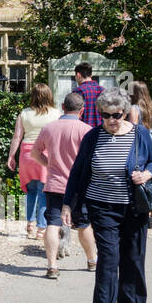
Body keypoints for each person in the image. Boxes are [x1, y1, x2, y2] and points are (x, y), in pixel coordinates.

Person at [62, 87, 152, 303]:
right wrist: (68, 203)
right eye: (105, 116)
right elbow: (77, 171)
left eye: (116, 115)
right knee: (108, 257)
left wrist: (147, 174)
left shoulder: (140, 134)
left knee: (134, 257)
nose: (111, 120)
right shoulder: (93, 136)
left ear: (125, 112)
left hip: (134, 206)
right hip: (102, 205)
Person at [32, 91, 97, 278]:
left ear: (63, 107)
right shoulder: (86, 131)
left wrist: (49, 164)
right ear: (82, 110)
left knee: (53, 223)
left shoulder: (49, 128)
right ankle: (92, 260)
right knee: (84, 224)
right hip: (79, 186)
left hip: (54, 183)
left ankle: (52, 265)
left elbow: (35, 153)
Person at [6, 83, 62, 239]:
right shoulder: (56, 114)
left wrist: (11, 156)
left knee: (30, 191)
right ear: (49, 95)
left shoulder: (24, 113)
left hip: (27, 154)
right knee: (44, 192)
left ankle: (30, 222)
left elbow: (17, 136)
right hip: (45, 153)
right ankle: (41, 229)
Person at [73, 63, 104, 127]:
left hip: (84, 130)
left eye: (75, 76)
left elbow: (75, 114)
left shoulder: (78, 91)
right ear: (91, 75)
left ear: (78, 75)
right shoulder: (102, 90)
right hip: (101, 130)